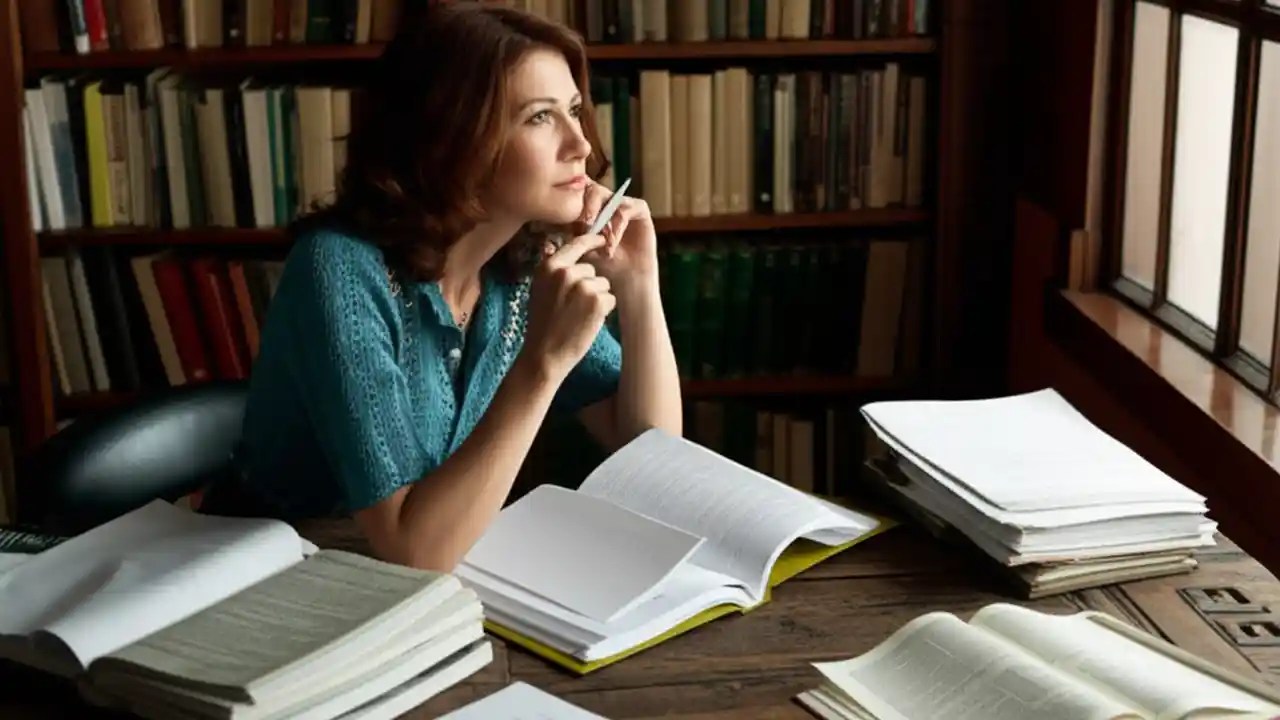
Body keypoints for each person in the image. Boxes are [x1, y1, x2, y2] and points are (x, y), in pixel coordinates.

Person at [199, 3, 682, 572]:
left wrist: (639, 284)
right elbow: (413, 550)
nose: (579, 143)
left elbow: (650, 459)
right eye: (539, 117)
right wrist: (541, 366)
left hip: (411, 590)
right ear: (455, 138)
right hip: (261, 580)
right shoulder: (339, 271)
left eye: (574, 110)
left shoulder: (521, 273)